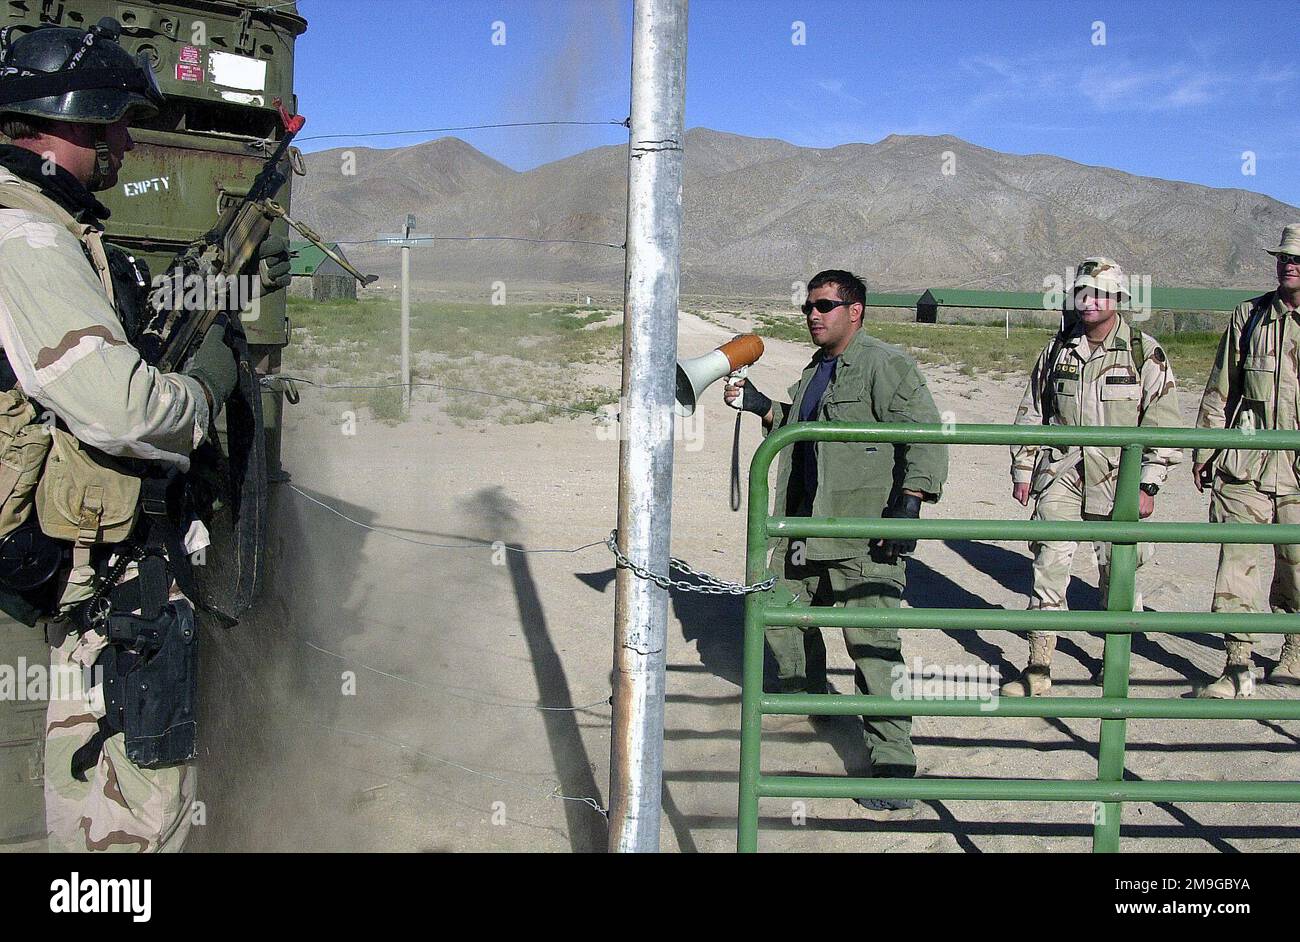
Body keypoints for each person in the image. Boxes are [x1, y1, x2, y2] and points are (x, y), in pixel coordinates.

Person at [0, 19, 286, 851]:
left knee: (97, 775)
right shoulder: (26, 237)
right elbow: (122, 408)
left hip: (95, 566)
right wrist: (201, 394)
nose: (127, 139)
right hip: (100, 582)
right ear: (72, 119)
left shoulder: (51, 230)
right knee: (135, 803)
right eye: (114, 121)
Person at [727, 269, 947, 811]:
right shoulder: (814, 372)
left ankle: (893, 762)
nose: (813, 315)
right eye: (808, 307)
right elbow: (805, 432)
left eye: (825, 305)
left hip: (860, 533)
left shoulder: (885, 365)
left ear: (856, 311)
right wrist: (764, 408)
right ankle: (812, 700)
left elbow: (927, 434)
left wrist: (910, 500)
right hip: (800, 525)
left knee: (872, 646)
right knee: (780, 617)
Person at [1003, 257, 1181, 696]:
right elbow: (1033, 413)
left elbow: (1163, 422)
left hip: (1118, 477)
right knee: (1049, 561)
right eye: (1083, 292)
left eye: (1100, 293)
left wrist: (1148, 483)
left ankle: (1113, 662)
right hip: (1062, 471)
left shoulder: (1144, 352)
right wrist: (1024, 468)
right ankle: (1039, 665)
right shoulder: (1058, 349)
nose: (1089, 302)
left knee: (1117, 571)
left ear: (1119, 299)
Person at [1192, 225, 1300, 698]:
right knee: (1236, 563)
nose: (1288, 264)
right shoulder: (1249, 317)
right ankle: (1237, 664)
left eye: (1296, 258)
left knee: (1296, 567)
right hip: (1247, 463)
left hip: (1298, 470)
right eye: (1283, 257)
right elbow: (1222, 388)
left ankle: (1294, 650)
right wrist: (1205, 449)